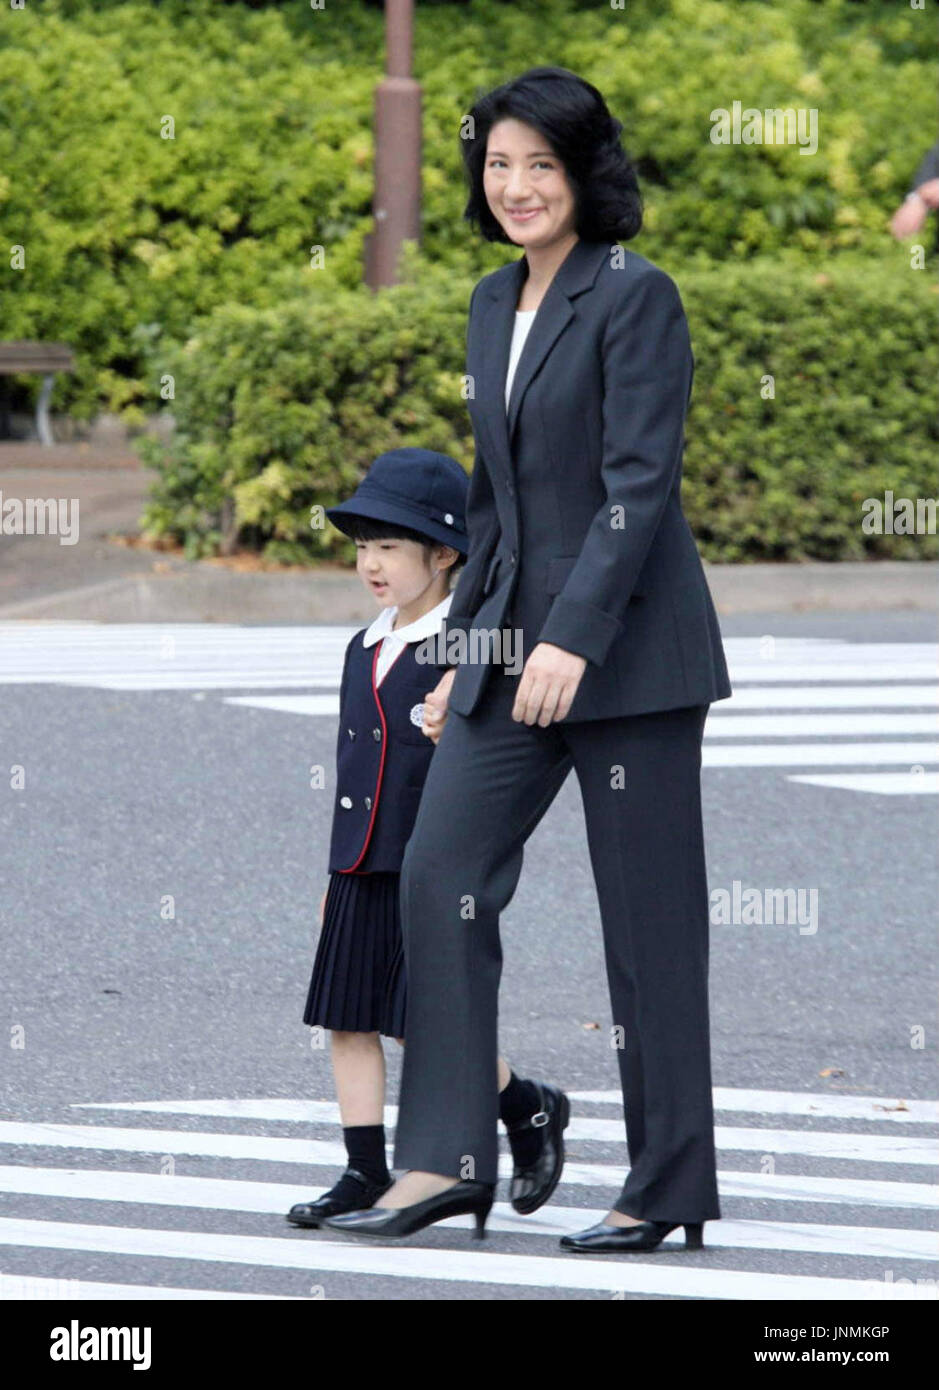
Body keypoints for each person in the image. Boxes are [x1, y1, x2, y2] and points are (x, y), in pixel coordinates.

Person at [325, 69, 732, 1252]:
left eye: (540, 166)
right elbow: (497, 511)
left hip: (634, 658)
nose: (516, 187)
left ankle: (665, 1187)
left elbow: (636, 489)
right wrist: (467, 653)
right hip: (516, 651)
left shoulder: (635, 297)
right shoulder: (490, 301)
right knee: (438, 868)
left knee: (647, 931)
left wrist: (571, 637)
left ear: (585, 173)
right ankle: (450, 1158)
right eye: (499, 165)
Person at [286, 447, 569, 1230]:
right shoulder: (363, 646)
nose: (369, 564)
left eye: (389, 547)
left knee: (425, 1023)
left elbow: (511, 688)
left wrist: (461, 695)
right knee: (347, 1016)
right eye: (361, 547)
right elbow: (353, 761)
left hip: (430, 863)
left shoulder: (467, 643)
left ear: (444, 555)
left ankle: (527, 1105)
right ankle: (362, 1170)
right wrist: (333, 872)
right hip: (360, 859)